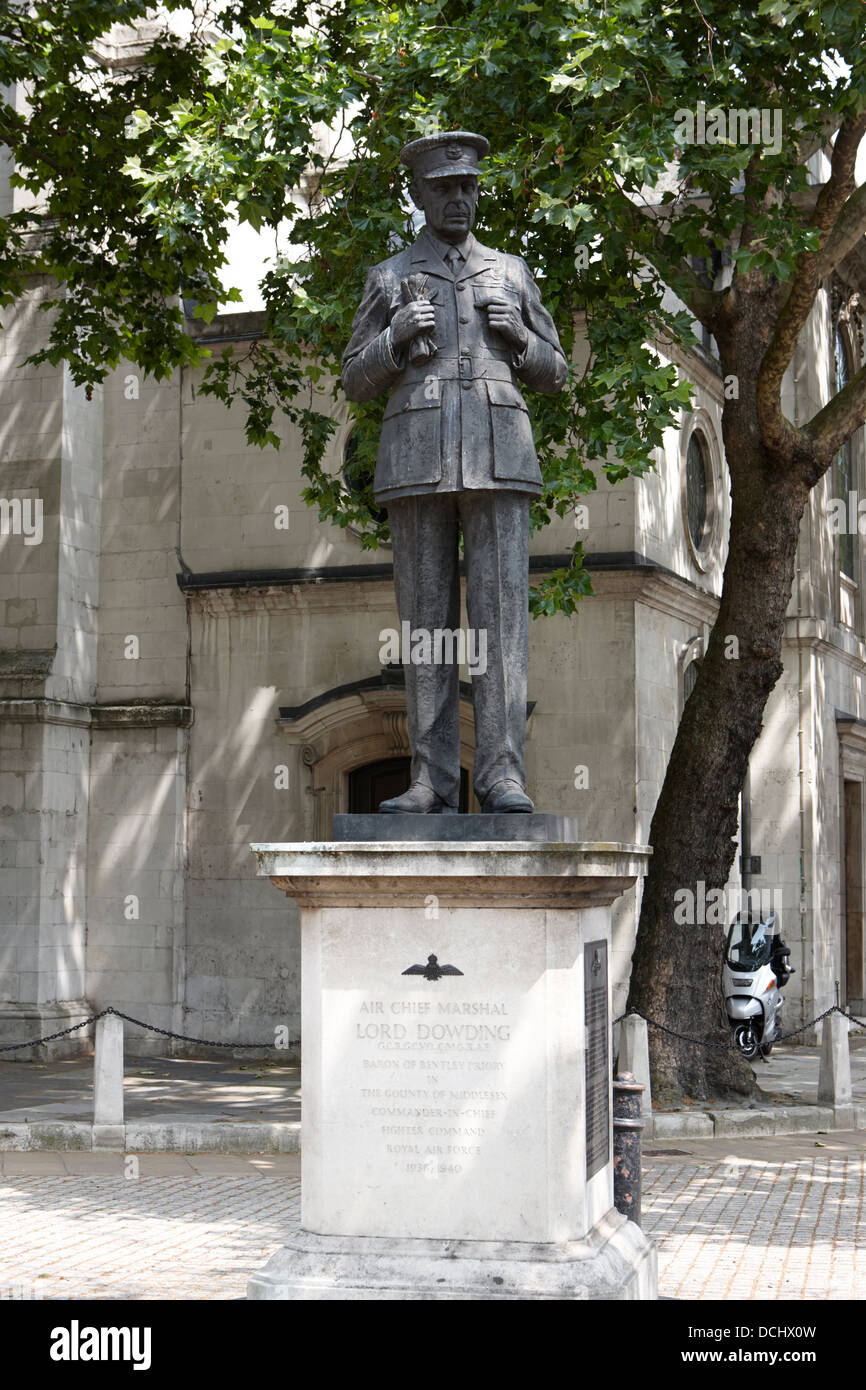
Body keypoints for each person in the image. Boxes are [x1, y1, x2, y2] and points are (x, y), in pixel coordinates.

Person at [342, 131, 567, 813]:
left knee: (502, 624)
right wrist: (396, 336)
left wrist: (521, 338)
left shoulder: (513, 272)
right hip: (417, 459)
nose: (459, 200)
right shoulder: (389, 277)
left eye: (468, 187)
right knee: (426, 625)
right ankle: (431, 779)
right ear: (419, 195)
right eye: (444, 189)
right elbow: (355, 379)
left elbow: (557, 372)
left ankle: (501, 776)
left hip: (499, 453)